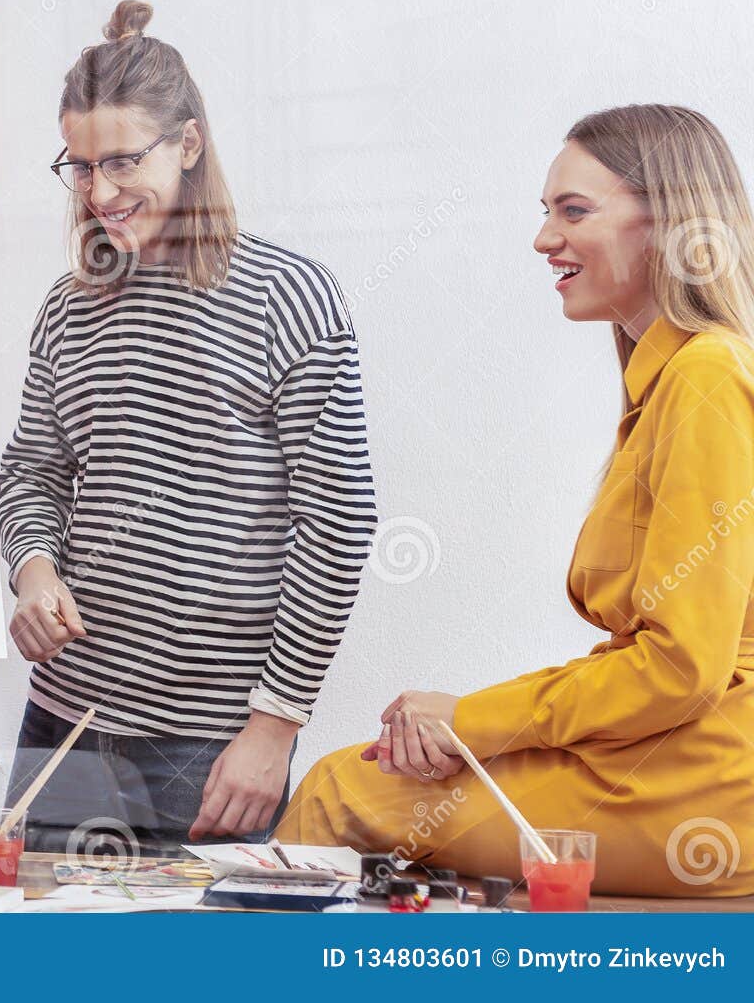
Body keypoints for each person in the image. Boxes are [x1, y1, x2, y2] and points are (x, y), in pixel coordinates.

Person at [279, 104, 754, 897]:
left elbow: (679, 667)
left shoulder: (705, 377)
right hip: (678, 753)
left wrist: (472, 720)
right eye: (546, 212)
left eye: (573, 211)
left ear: (667, 224)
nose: (544, 239)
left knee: (338, 790)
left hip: (704, 775)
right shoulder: (673, 380)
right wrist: (474, 728)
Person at [0, 0, 378, 855]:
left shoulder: (289, 296)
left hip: (210, 743)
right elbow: (31, 472)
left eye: (123, 161)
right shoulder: (69, 307)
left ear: (190, 146)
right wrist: (32, 569)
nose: (100, 192)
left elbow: (339, 520)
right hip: (64, 718)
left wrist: (273, 727)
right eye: (80, 166)